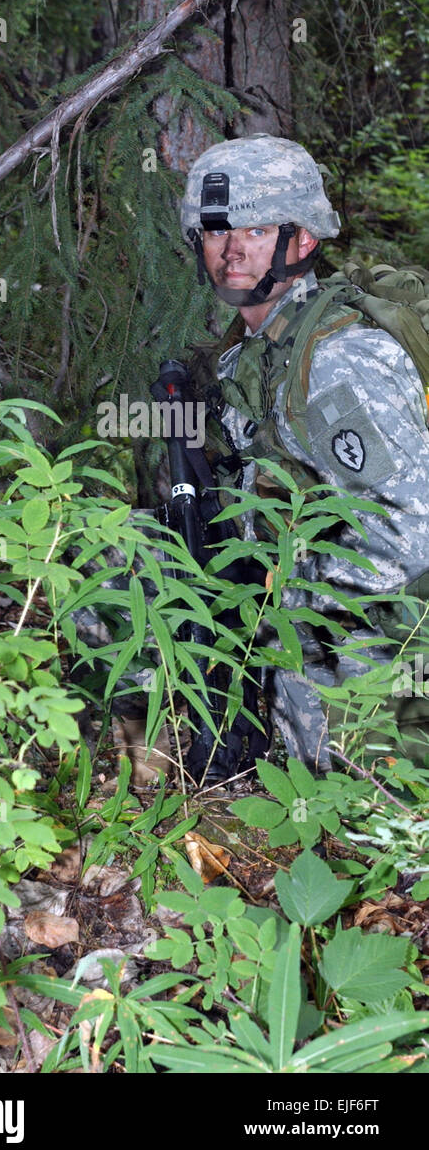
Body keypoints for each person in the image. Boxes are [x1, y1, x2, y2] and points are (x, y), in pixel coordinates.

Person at [180, 132, 429, 773]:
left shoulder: (341, 359)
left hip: (398, 624)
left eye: (256, 230)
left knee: (333, 766)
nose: (231, 253)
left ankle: (377, 802)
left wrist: (287, 596)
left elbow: (407, 535)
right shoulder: (252, 353)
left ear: (303, 240)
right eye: (215, 233)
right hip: (321, 592)